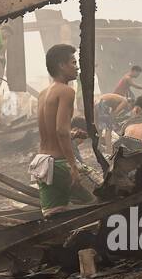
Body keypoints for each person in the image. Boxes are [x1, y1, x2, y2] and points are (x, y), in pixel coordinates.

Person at [32, 44, 95, 214]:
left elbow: (49, 130)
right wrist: (73, 166)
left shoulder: (43, 93)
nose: (77, 67)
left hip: (43, 163)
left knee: (54, 215)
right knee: (101, 201)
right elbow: (61, 131)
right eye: (73, 62)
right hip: (60, 164)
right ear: (61, 65)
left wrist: (72, 134)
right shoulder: (66, 91)